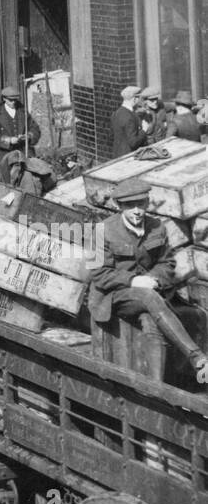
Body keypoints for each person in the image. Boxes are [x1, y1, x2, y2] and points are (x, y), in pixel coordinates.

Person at [89, 178, 208, 384]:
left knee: (150, 319)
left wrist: (154, 279)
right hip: (112, 297)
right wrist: (135, 281)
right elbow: (98, 274)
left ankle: (156, 388)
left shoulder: (157, 227)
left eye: (141, 204)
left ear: (147, 203)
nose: (137, 211)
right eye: (130, 206)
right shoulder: (102, 231)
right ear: (120, 207)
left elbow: (167, 263)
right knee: (147, 296)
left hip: (149, 296)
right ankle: (197, 358)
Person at [0, 85, 41, 164]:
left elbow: (35, 129)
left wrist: (28, 136)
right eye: (10, 100)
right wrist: (9, 140)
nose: (13, 102)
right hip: (4, 154)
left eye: (15, 100)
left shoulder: (24, 112)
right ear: (4, 99)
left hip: (24, 152)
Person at [111, 84, 147, 156]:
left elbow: (112, 135)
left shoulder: (116, 113)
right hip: (128, 156)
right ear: (134, 99)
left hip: (117, 154)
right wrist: (144, 130)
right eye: (139, 98)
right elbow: (133, 143)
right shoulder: (129, 117)